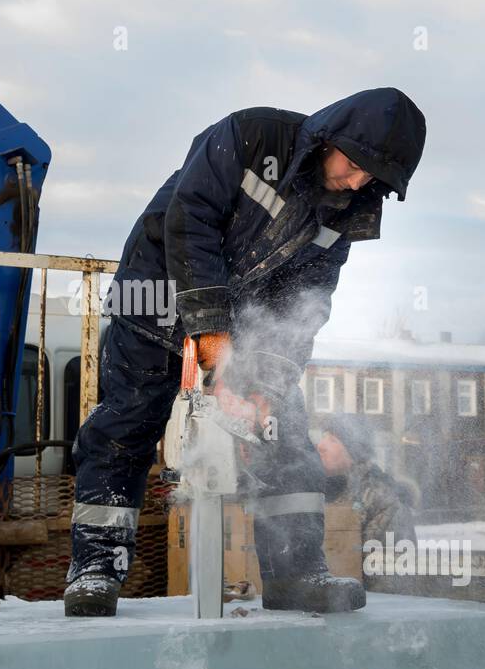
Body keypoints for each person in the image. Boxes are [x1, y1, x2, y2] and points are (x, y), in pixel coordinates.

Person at [66, 89, 427, 616]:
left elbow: (306, 301)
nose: (355, 182)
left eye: (369, 178)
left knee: (287, 444)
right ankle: (95, 572)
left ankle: (297, 574)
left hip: (246, 326)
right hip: (153, 301)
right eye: (352, 165)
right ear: (329, 139)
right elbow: (189, 226)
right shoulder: (251, 137)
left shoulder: (346, 211)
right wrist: (215, 342)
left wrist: (265, 385)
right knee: (125, 426)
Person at [316, 413, 420, 554]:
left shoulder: (385, 502)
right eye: (323, 438)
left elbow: (395, 568)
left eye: (333, 440)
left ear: (354, 453)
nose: (321, 446)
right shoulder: (311, 493)